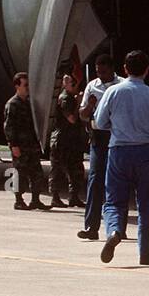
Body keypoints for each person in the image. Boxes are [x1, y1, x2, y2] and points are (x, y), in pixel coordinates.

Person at [94, 50, 149, 266]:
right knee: (147, 203)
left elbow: (100, 122)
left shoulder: (113, 92)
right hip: (145, 151)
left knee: (114, 201)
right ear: (147, 70)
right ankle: (146, 253)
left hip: (118, 150)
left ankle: (114, 231)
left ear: (125, 69)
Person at [77, 54, 125, 241]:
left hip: (117, 136)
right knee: (95, 179)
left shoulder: (121, 84)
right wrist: (89, 106)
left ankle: (118, 226)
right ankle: (91, 226)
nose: (101, 75)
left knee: (118, 181)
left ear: (112, 69)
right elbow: (81, 114)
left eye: (104, 72)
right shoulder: (92, 86)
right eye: (98, 72)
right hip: (98, 136)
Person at [3, 72, 52, 211]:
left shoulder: (30, 103)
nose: (28, 87)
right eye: (25, 85)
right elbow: (9, 126)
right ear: (17, 86)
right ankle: (18, 200)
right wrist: (13, 145)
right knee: (19, 173)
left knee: (37, 173)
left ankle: (35, 200)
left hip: (32, 145)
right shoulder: (12, 104)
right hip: (20, 145)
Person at [49, 72, 87, 208]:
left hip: (72, 140)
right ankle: (55, 196)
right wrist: (78, 104)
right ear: (66, 84)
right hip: (62, 140)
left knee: (76, 169)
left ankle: (74, 197)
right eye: (73, 83)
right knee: (57, 170)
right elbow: (71, 119)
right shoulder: (65, 99)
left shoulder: (71, 97)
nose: (76, 86)